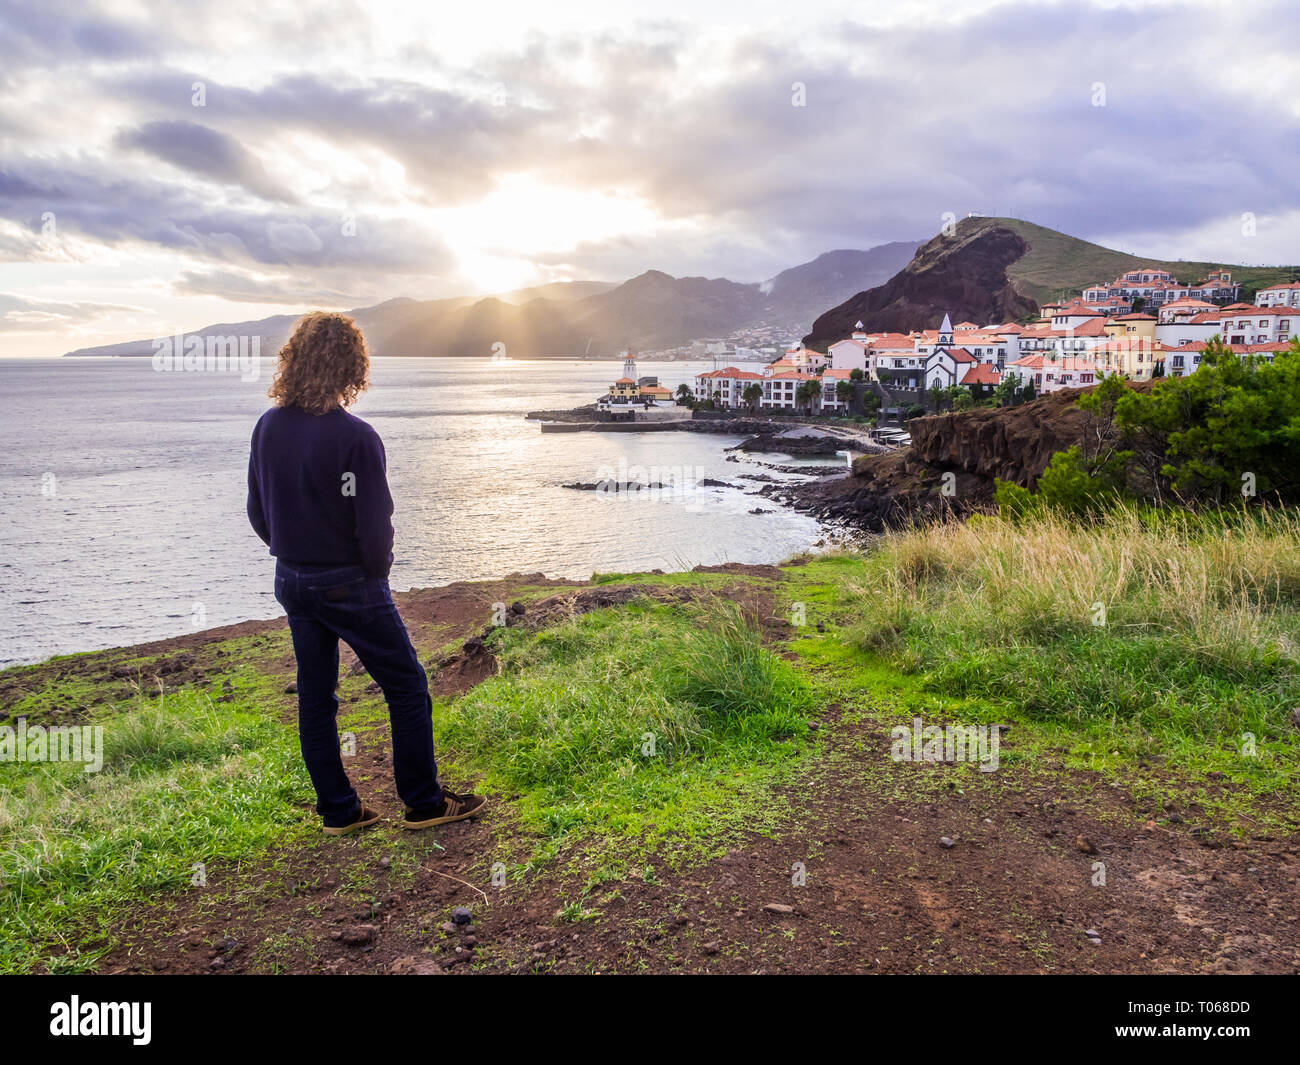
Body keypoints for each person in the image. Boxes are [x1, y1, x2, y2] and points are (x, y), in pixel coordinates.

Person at [246, 312, 485, 835]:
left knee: (316, 697)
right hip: (349, 581)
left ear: (295, 359)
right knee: (405, 685)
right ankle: (423, 804)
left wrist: (292, 553)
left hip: (292, 580)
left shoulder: (267, 427)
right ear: (352, 366)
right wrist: (373, 573)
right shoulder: (356, 438)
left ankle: (339, 810)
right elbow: (374, 526)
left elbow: (258, 512)